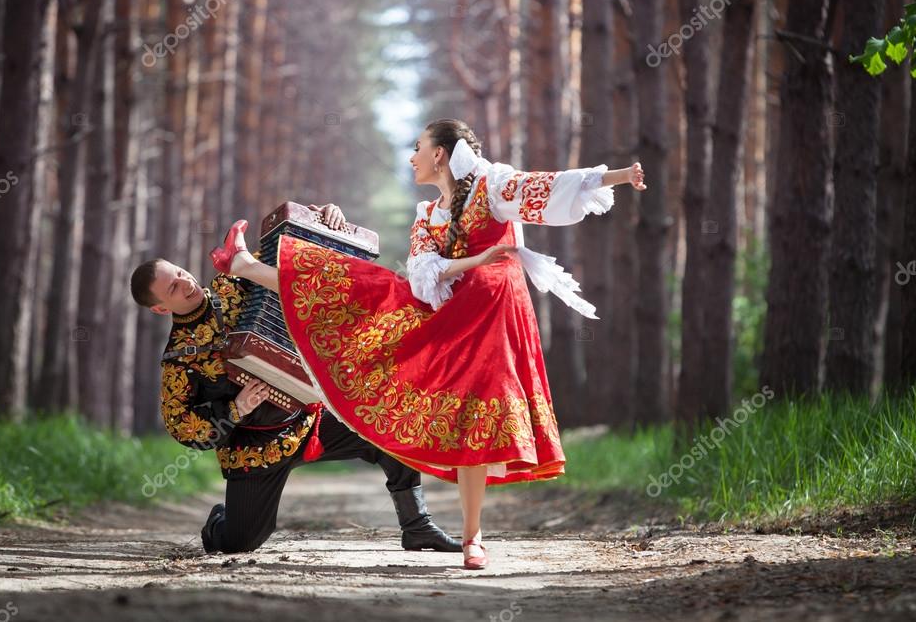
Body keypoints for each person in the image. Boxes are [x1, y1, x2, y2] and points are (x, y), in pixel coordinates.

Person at [209, 119, 647, 569]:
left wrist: (618, 176)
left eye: (418, 147)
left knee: (478, 413)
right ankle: (243, 264)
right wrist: (473, 259)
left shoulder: (491, 185)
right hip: (450, 311)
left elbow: (547, 186)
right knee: (362, 288)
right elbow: (425, 276)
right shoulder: (426, 215)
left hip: (494, 312)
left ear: (440, 153)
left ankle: (472, 538)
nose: (412, 156)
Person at [128, 216, 461, 555]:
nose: (185, 284)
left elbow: (288, 256)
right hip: (255, 450)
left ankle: (417, 526)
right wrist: (235, 409)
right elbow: (182, 427)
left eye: (181, 274)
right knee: (239, 543)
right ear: (159, 308)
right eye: (172, 289)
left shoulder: (233, 284)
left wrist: (324, 219)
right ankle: (219, 524)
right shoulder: (179, 359)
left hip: (310, 418)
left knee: (386, 422)